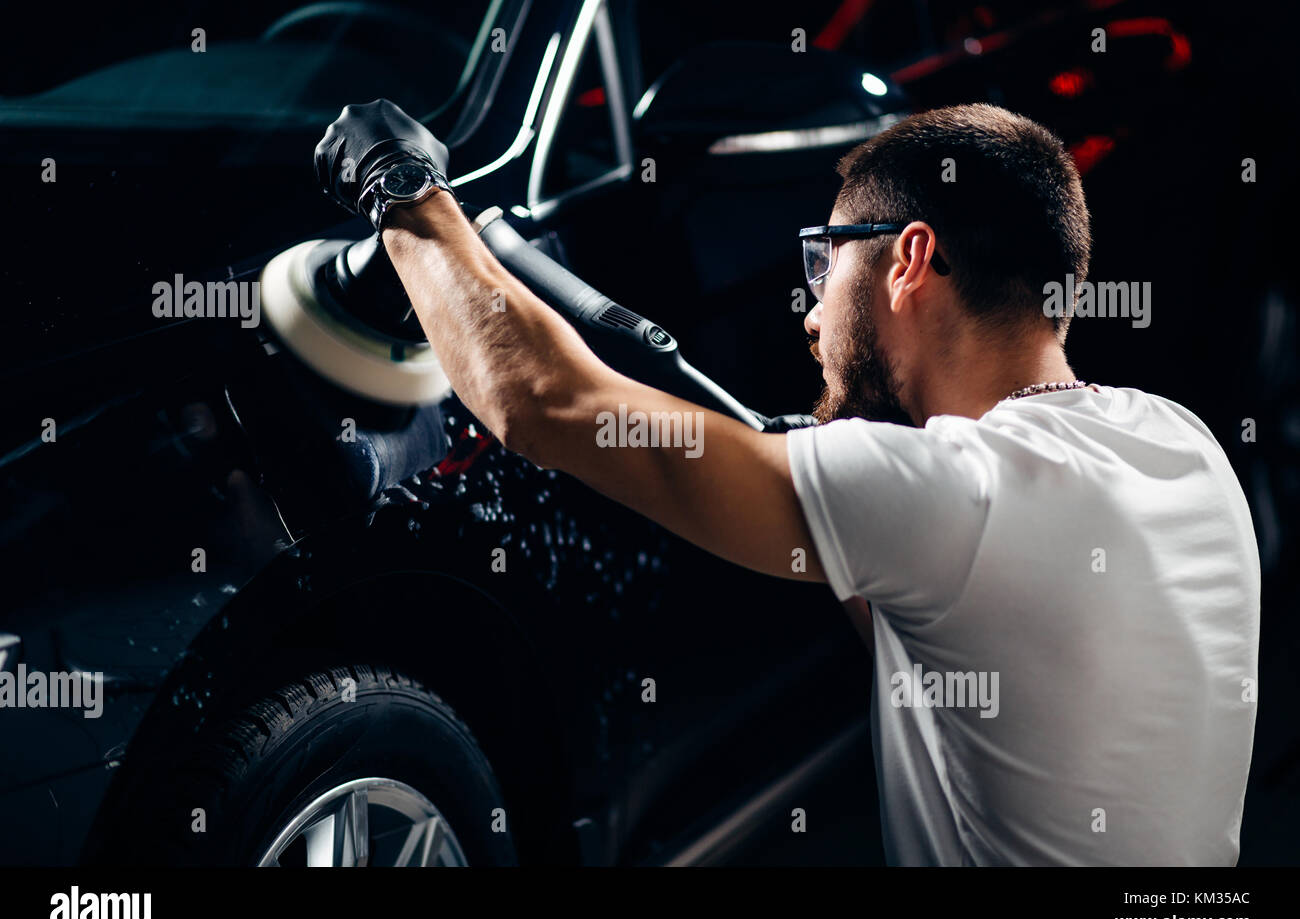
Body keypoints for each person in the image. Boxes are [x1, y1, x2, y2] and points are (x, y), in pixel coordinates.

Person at [314, 100, 1260, 865]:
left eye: (827, 260)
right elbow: (907, 591)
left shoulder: (947, 494)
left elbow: (543, 405)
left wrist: (403, 190)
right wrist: (829, 440)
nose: (811, 310)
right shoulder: (1180, 442)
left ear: (910, 258)